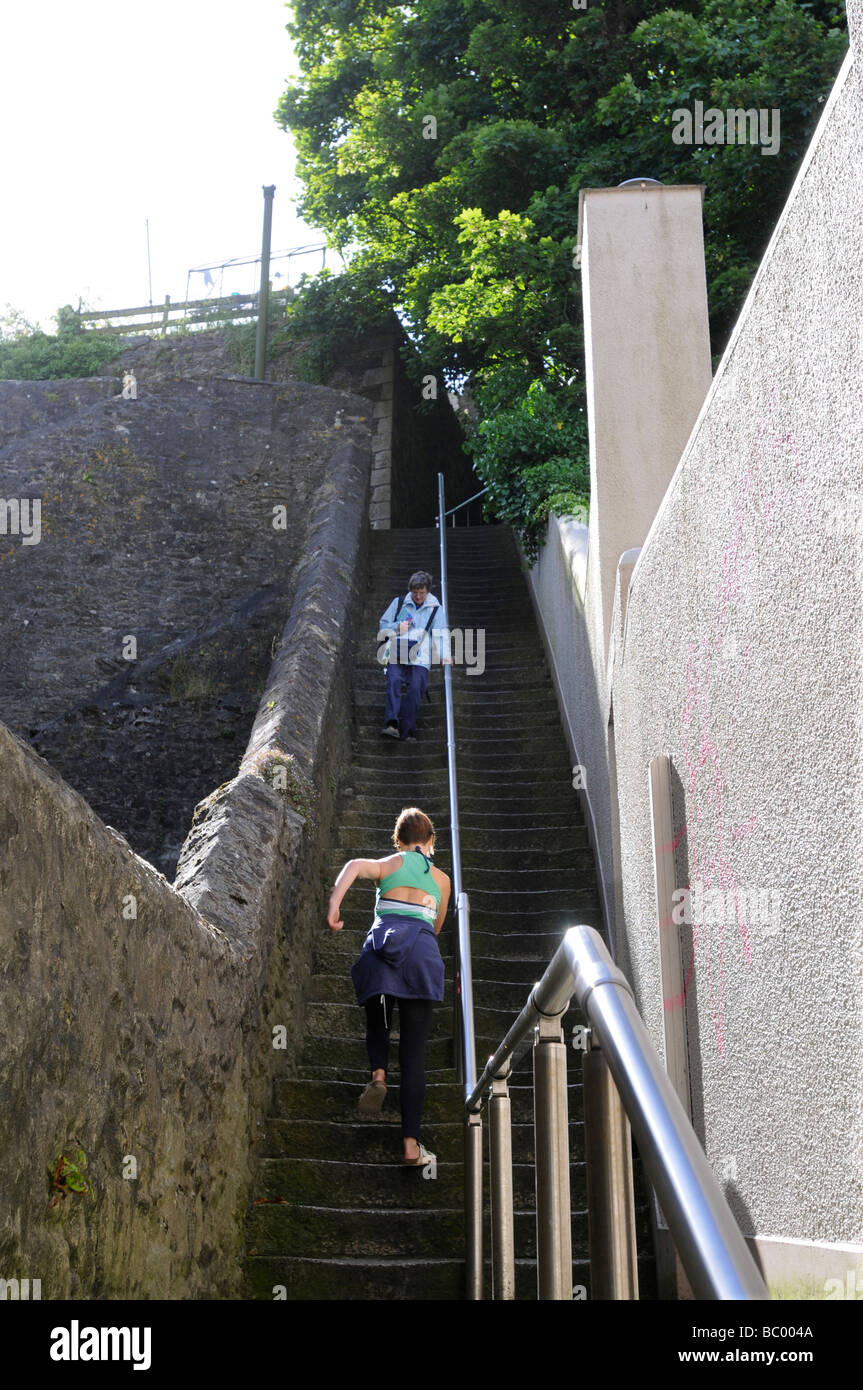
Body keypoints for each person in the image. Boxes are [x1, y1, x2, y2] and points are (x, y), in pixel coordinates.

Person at [327, 807, 450, 1167]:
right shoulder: (441, 879)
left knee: (379, 1014)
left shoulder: (391, 864)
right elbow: (437, 927)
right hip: (420, 962)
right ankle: (411, 1147)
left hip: (382, 957)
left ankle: (378, 1072)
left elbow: (352, 865)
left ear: (398, 840)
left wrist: (335, 905)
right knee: (414, 1056)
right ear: (430, 842)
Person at [378, 571, 452, 741]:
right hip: (398, 651)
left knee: (415, 689)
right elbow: (382, 627)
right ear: (410, 590)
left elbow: (441, 634)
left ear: (428, 591)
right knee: (394, 680)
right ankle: (392, 724)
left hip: (421, 657)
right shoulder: (399, 603)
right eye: (415, 592)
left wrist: (445, 654)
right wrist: (397, 627)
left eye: (422, 593)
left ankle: (408, 730)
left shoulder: (436, 609)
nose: (418, 596)